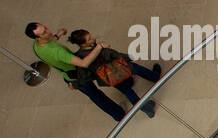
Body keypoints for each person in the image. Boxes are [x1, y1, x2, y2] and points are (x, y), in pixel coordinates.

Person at [25, 22, 159, 121]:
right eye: (44, 32)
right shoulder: (64, 53)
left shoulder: (37, 46)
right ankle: (153, 81)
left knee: (103, 94)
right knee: (125, 79)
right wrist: (101, 47)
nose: (48, 32)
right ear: (37, 38)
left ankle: (119, 115)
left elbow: (49, 41)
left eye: (45, 28)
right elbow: (84, 64)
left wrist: (57, 35)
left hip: (94, 76)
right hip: (79, 73)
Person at [69, 29, 162, 119]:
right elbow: (116, 55)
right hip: (120, 68)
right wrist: (129, 57)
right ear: (83, 44)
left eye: (90, 36)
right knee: (137, 69)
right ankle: (154, 77)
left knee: (127, 91)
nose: (92, 38)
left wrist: (75, 84)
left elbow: (82, 75)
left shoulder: (80, 57)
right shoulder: (100, 48)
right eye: (89, 39)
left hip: (109, 78)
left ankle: (146, 109)